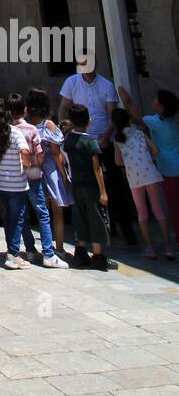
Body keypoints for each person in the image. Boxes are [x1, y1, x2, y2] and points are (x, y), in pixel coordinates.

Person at [58, 54, 135, 244]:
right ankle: (95, 230)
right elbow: (64, 107)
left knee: (113, 185)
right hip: (81, 141)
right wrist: (63, 129)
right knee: (86, 184)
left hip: (102, 139)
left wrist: (107, 135)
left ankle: (124, 228)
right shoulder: (72, 82)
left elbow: (112, 114)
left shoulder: (106, 85)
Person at [7, 93, 67, 268]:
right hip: (45, 172)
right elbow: (54, 153)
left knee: (23, 213)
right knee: (48, 213)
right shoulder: (42, 127)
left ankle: (31, 249)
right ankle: (54, 250)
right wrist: (63, 174)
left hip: (21, 175)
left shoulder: (14, 127)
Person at [111, 107, 174, 260]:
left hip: (134, 177)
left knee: (142, 212)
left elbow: (118, 161)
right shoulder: (140, 133)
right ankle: (168, 247)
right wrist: (147, 157)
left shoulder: (118, 139)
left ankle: (150, 247)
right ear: (128, 119)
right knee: (158, 210)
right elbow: (156, 149)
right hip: (150, 173)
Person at [121, 85, 179, 244]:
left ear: (161, 105)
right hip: (175, 165)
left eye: (155, 98)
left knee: (173, 206)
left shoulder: (155, 122)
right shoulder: (172, 122)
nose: (152, 100)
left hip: (168, 169)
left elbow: (135, 119)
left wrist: (128, 102)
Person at [63, 102, 111, 270]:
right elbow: (96, 168)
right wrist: (103, 191)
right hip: (91, 186)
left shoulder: (68, 140)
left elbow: (65, 161)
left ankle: (81, 251)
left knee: (80, 217)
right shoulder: (91, 142)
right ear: (89, 121)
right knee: (96, 218)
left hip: (76, 184)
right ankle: (98, 255)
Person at [26, 88, 73, 258]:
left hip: (32, 169)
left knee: (40, 211)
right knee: (57, 211)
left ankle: (38, 247)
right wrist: (63, 174)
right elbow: (56, 152)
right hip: (51, 169)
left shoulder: (26, 123)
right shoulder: (48, 125)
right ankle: (58, 248)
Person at [0, 96, 34, 269]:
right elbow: (24, 151)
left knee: (9, 216)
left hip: (1, 182)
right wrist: (27, 163)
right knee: (19, 217)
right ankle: (13, 253)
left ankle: (10, 249)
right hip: (17, 182)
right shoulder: (15, 132)